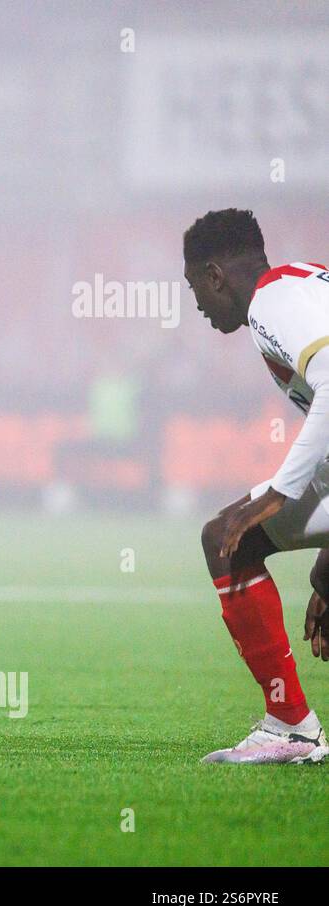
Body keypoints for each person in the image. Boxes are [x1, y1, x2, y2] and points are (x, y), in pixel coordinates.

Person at [187, 208, 329, 763]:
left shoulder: (274, 302)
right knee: (229, 536)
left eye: (194, 284)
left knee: (233, 533)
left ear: (215, 275)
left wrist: (278, 495)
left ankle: (291, 727)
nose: (197, 304)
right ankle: (289, 727)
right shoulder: (304, 282)